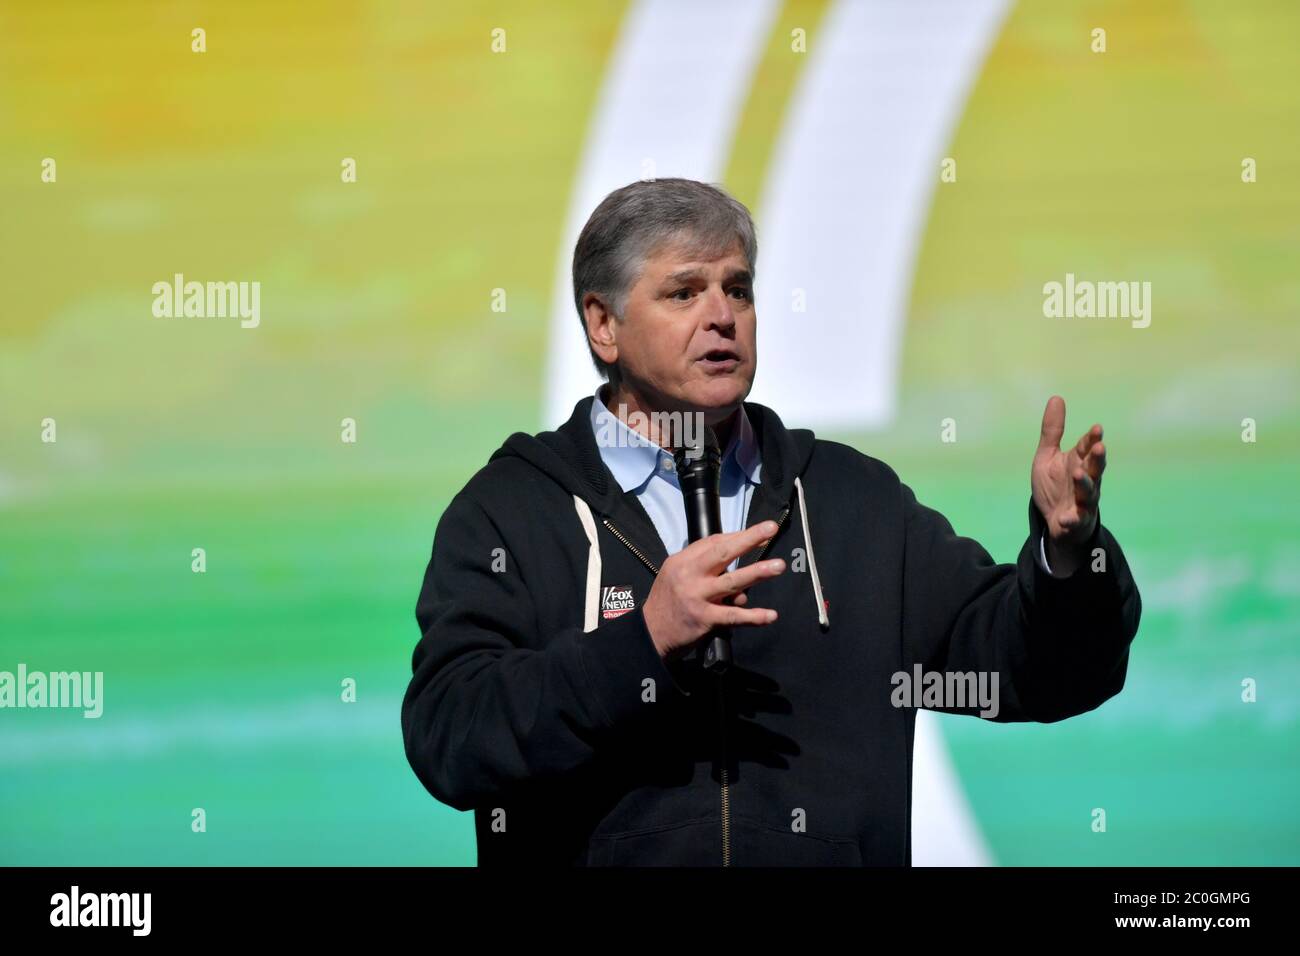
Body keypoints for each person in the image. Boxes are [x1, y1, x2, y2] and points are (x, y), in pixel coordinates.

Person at [401, 178, 1142, 866]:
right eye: (684, 292)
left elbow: (1035, 677)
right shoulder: (513, 512)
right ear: (604, 325)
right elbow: (451, 737)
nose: (722, 316)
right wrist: (643, 644)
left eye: (739, 290)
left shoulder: (854, 503)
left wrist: (1068, 560)